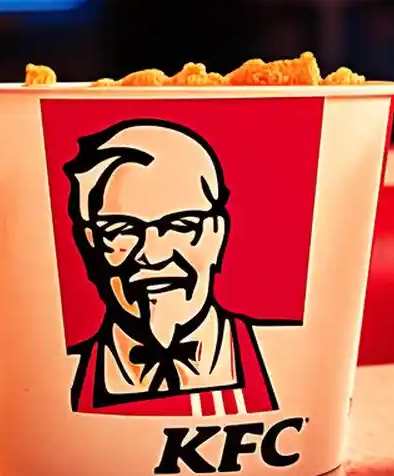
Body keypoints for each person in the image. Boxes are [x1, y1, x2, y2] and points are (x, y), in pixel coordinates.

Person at [63, 120, 278, 416]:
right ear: (90, 245)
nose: (153, 255)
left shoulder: (286, 358)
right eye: (121, 229)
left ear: (217, 235)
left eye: (180, 225)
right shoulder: (55, 376)